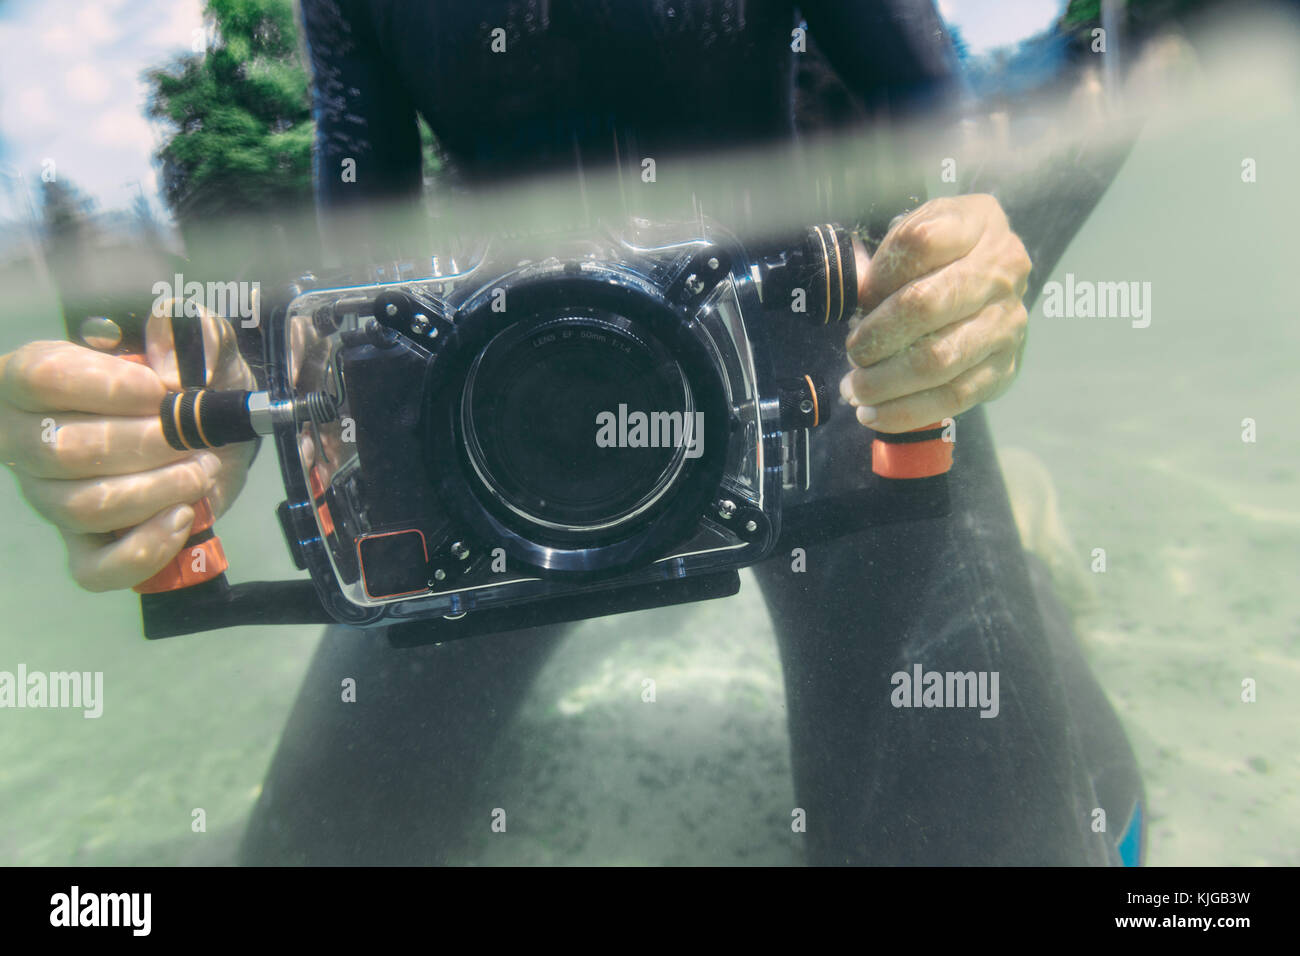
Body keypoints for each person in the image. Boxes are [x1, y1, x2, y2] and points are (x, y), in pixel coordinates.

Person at [0, 0, 1144, 865]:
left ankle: (1025, 559)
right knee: (320, 847)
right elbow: (357, 220)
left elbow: (929, 109)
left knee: (1050, 832)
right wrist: (233, 385)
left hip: (801, 369)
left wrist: (970, 258)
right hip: (482, 408)